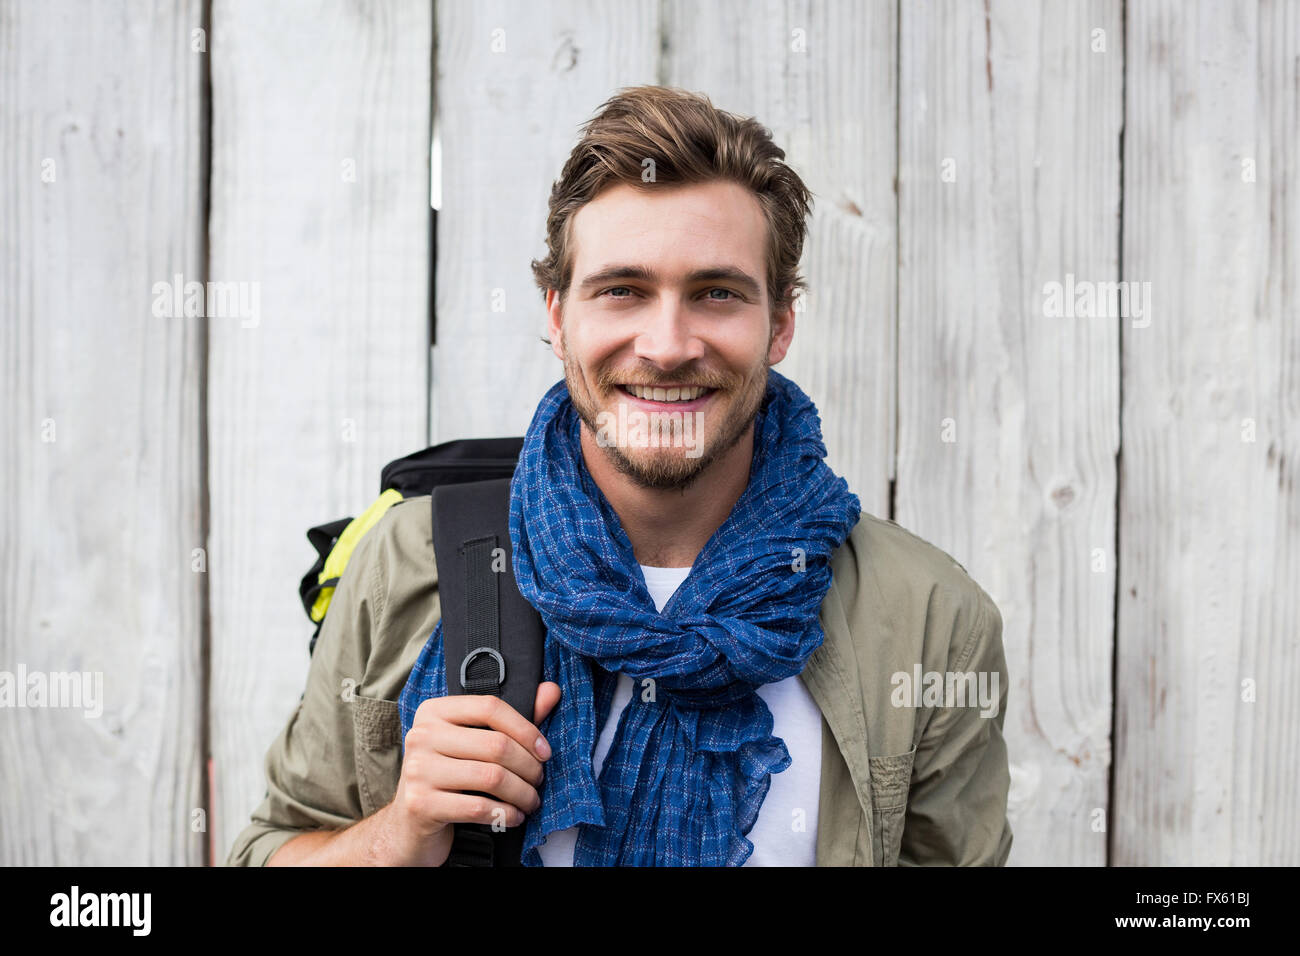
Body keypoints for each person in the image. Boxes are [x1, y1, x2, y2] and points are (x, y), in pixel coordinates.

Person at [227, 85, 1013, 867]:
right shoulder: (409, 563)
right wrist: (400, 834)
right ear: (558, 316)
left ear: (779, 325)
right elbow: (265, 851)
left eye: (715, 293)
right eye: (622, 291)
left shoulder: (930, 620)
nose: (667, 345)